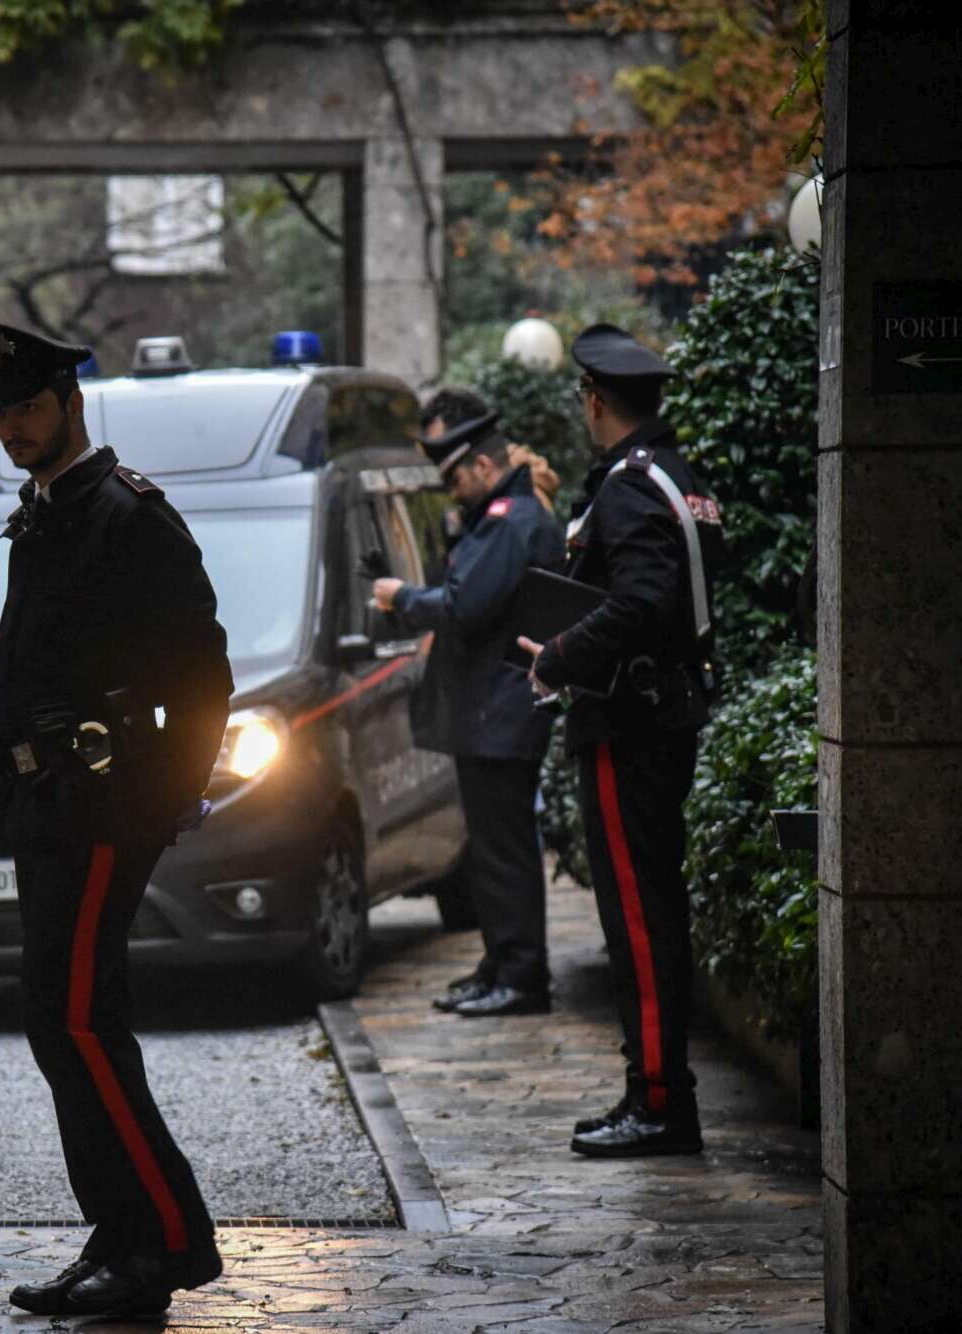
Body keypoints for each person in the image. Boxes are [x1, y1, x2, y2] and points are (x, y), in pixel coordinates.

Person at [0, 322, 232, 1317]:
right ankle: (120, 1233)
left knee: (75, 1018)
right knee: (58, 1021)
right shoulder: (40, 510)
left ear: (70, 403)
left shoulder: (127, 516)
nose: (13, 425)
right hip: (44, 808)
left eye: (27, 405)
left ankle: (163, 1238)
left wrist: (157, 801)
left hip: (100, 810)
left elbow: (203, 677)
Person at [517, 323, 727, 1158]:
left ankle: (658, 1102)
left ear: (595, 400)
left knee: (638, 920)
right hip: (660, 714)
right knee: (651, 912)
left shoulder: (629, 486)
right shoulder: (677, 476)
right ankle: (657, 1091)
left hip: (628, 724)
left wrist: (560, 657)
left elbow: (643, 599)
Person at [370, 389, 563, 1017]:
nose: (450, 489)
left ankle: (522, 976)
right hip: (493, 713)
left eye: (455, 476)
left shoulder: (509, 518)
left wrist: (401, 597)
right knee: (492, 849)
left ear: (483, 464)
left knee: (504, 851)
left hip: (501, 713)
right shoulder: (501, 515)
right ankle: (501, 963)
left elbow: (462, 604)